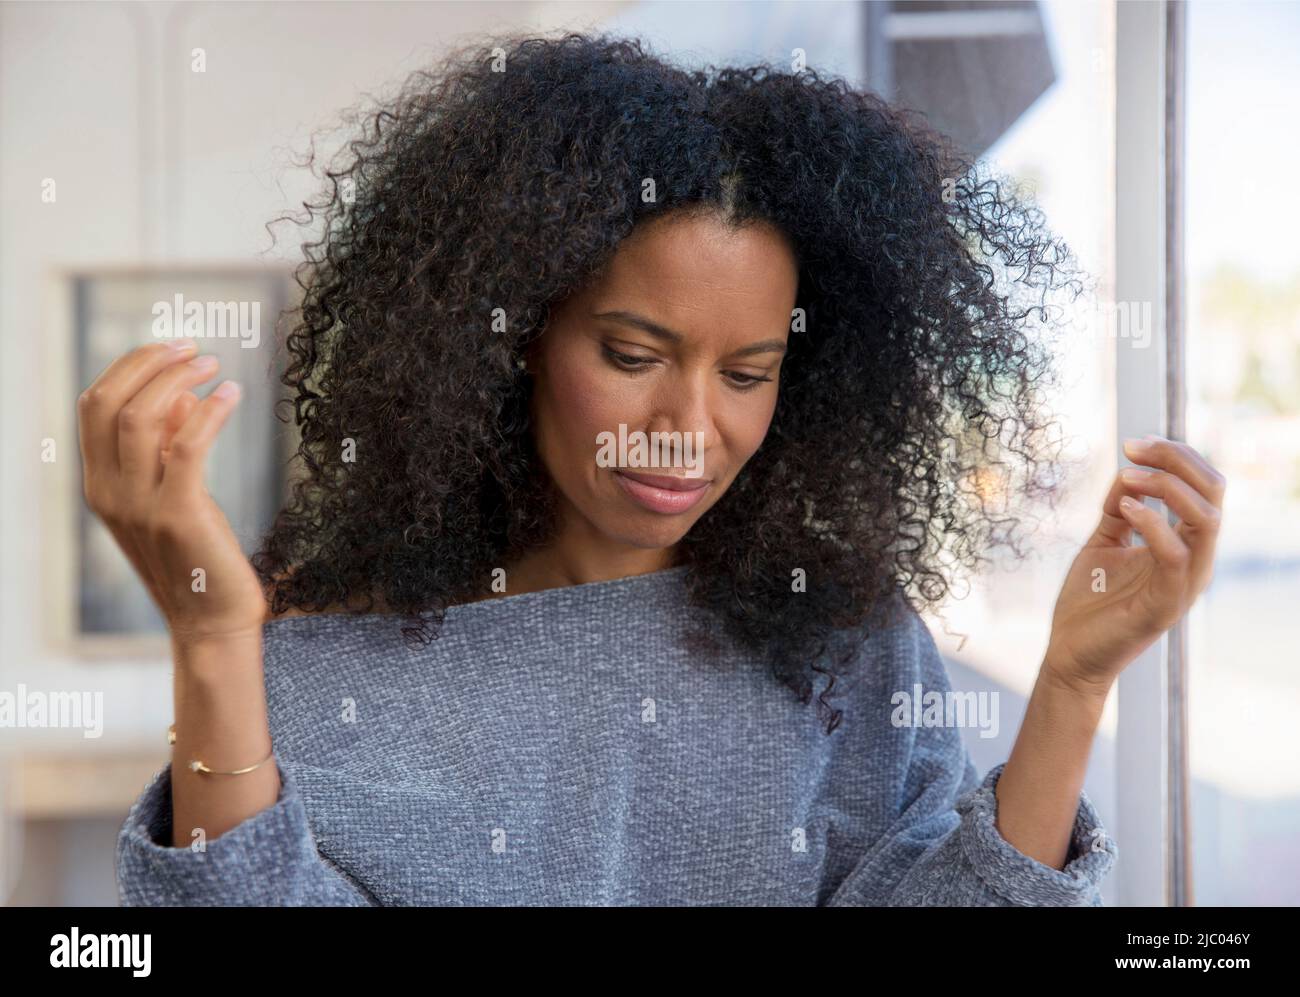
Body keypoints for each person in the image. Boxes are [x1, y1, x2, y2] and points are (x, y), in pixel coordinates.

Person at [81, 32, 1224, 906]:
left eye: (748, 371)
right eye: (633, 355)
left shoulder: (841, 638)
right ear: (516, 333)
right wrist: (213, 641)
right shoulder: (325, 651)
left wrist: (1072, 686)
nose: (689, 425)